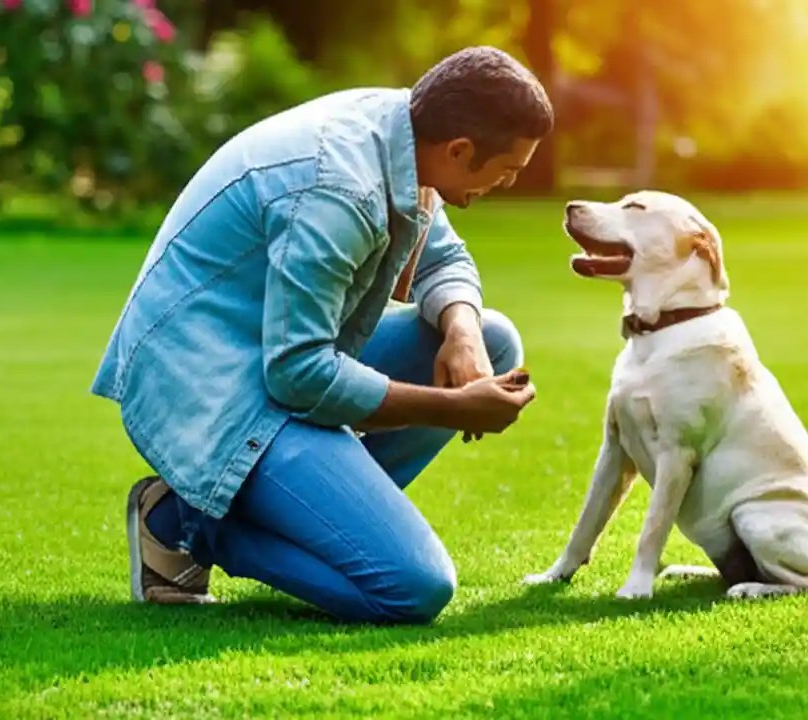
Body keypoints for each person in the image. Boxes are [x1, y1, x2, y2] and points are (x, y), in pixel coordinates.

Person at [91, 46, 553, 624]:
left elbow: (444, 258)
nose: (507, 185)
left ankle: (306, 516)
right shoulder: (338, 191)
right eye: (507, 171)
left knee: (492, 337)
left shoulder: (407, 129)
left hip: (270, 353)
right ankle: (188, 527)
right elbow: (298, 374)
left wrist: (462, 333)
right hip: (214, 386)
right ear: (459, 150)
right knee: (414, 588)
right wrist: (452, 408)